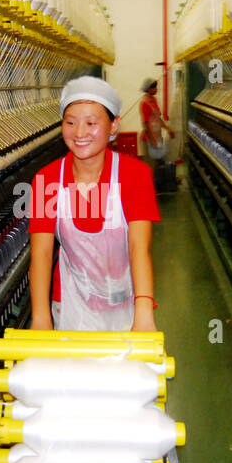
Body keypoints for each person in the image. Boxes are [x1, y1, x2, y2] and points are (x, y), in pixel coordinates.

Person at [28, 76, 161, 332]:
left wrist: (144, 312)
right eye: (70, 123)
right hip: (70, 305)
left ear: (113, 126)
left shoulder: (135, 175)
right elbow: (42, 254)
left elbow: (138, 248)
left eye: (91, 123)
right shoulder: (47, 180)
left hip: (126, 303)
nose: (79, 133)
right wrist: (40, 317)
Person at [139, 77, 173, 170]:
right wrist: (152, 141)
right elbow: (145, 124)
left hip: (157, 138)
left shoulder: (154, 100)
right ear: (148, 89)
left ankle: (156, 183)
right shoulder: (144, 103)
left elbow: (158, 119)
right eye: (153, 88)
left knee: (158, 164)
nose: (156, 89)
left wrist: (168, 129)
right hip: (149, 140)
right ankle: (148, 184)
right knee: (150, 167)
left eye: (156, 87)